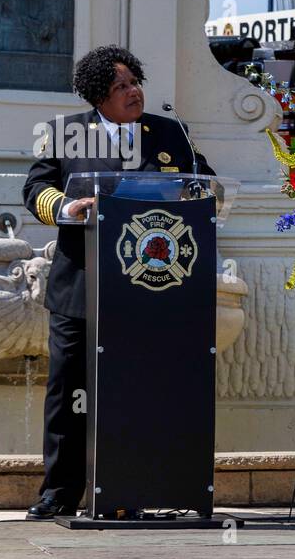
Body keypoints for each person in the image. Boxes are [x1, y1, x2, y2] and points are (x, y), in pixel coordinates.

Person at [22, 45, 214, 520]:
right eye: (120, 87)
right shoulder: (64, 134)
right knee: (69, 393)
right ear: (97, 98)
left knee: (144, 387)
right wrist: (71, 209)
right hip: (83, 286)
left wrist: (192, 191)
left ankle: (141, 486)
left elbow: (204, 182)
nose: (134, 92)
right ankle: (59, 493)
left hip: (153, 290)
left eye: (135, 81)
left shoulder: (170, 132)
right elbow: (35, 190)